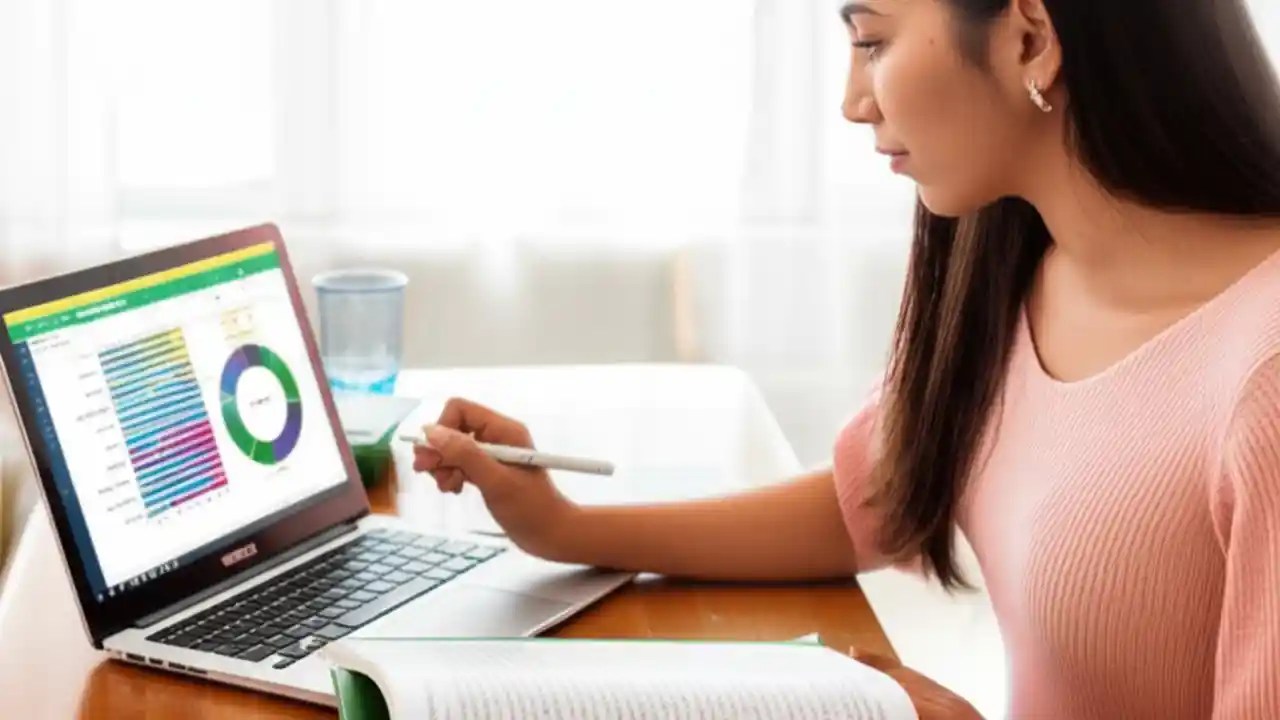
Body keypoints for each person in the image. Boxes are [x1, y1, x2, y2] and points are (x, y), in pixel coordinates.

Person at [413, 0, 1280, 717]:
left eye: (872, 42)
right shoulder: (1012, 257)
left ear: (1030, 38)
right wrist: (567, 528)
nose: (852, 100)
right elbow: (877, 497)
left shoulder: (1262, 380)